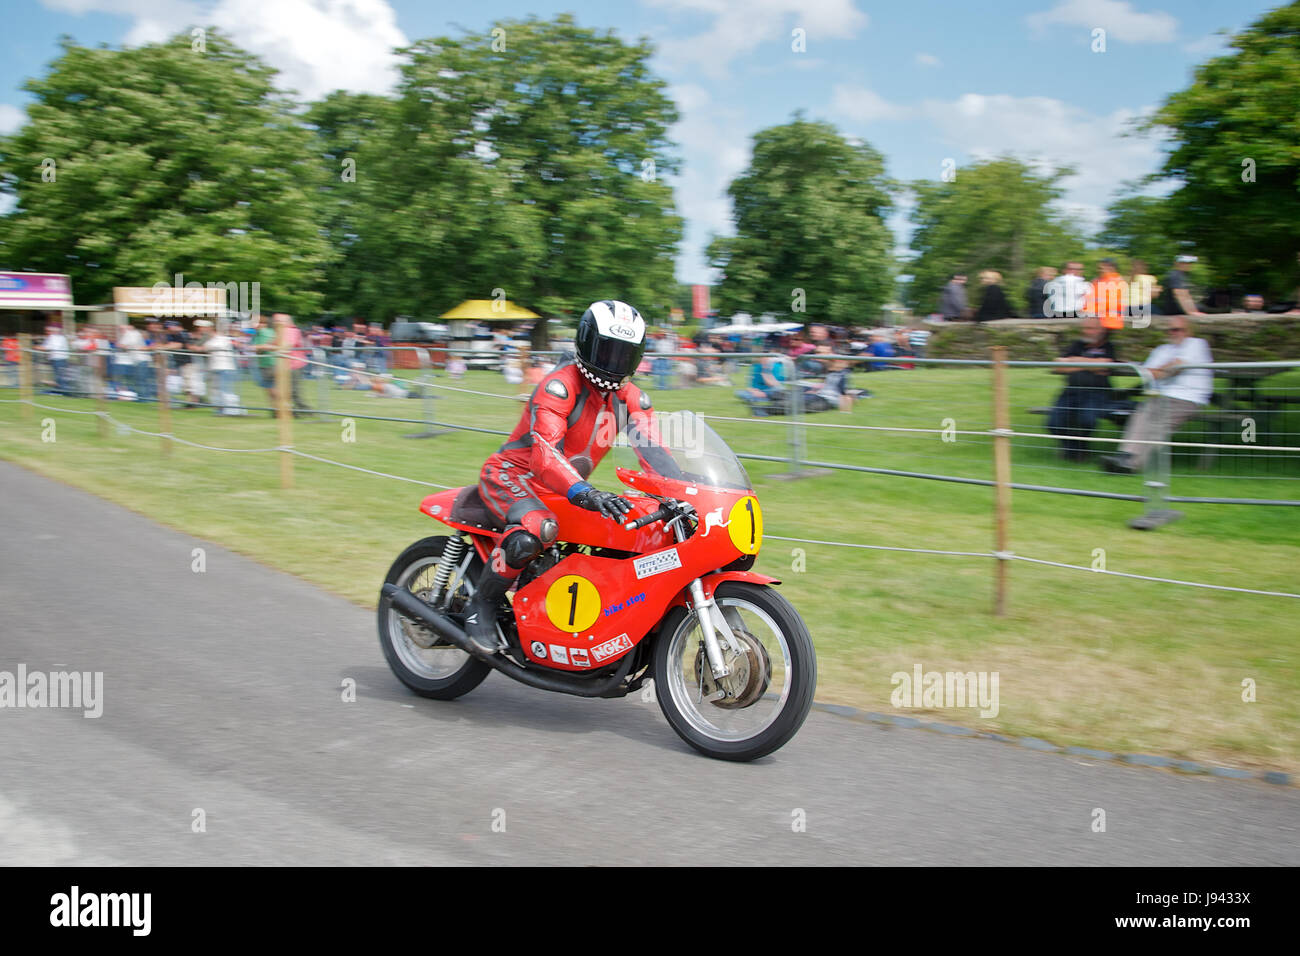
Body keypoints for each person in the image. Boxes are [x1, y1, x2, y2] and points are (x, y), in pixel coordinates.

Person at [460, 300, 676, 653]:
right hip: (514, 476)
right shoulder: (560, 386)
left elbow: (655, 453)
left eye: (624, 355)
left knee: (633, 525)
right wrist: (588, 493)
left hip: (566, 488)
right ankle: (479, 607)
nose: (613, 364)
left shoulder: (631, 399)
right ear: (586, 343)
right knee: (536, 529)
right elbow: (546, 457)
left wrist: (683, 492)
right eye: (606, 351)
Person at [1101, 317, 1213, 474]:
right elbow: (1148, 374)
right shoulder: (1162, 349)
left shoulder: (1197, 344)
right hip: (1160, 396)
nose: (1173, 333)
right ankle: (1124, 456)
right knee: (1140, 415)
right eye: (1170, 330)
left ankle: (1132, 464)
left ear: (1188, 331)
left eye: (1177, 329)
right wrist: (1159, 372)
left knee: (1157, 424)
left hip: (1187, 398)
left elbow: (1175, 367)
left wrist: (1159, 371)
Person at [1047, 316, 1120, 461]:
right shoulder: (1076, 345)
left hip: (1096, 392)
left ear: (1101, 330)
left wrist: (1074, 362)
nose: (1086, 332)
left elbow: (1106, 365)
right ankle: (1074, 448)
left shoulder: (1108, 346)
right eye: (1084, 328)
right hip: (1071, 392)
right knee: (1053, 423)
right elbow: (1058, 365)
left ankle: (1076, 450)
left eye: (1090, 328)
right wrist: (1092, 365)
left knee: (1087, 420)